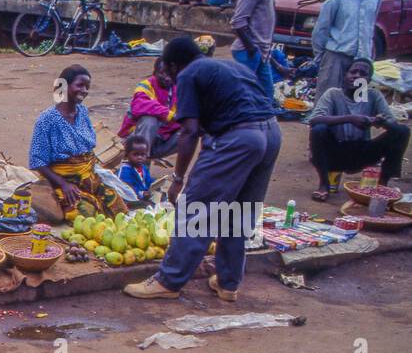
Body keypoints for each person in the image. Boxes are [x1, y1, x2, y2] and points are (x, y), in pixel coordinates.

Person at [124, 36, 280, 301]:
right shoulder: (232, 67)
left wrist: (178, 178)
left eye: (168, 69)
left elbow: (190, 132)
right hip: (271, 134)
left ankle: (168, 280)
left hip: (237, 138)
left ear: (173, 66)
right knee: (239, 210)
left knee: (197, 208)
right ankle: (228, 283)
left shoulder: (189, 74)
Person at [28, 65, 124, 219]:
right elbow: (37, 160)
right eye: (80, 85)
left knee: (116, 205)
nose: (84, 90)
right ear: (64, 86)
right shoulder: (47, 119)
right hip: (62, 180)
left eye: (87, 87)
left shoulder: (82, 112)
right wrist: (64, 184)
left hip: (88, 178)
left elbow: (87, 148)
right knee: (86, 213)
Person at [307, 58, 409, 201]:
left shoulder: (373, 95)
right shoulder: (333, 94)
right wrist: (350, 118)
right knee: (319, 129)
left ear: (368, 80)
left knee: (402, 131)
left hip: (361, 152)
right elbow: (314, 120)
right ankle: (324, 184)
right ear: (345, 75)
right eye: (353, 72)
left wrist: (380, 121)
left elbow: (394, 126)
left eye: (363, 73)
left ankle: (383, 184)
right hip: (334, 152)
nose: (357, 76)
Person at [311, 0, 380, 99]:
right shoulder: (336, 0)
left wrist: (368, 56)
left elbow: (370, 27)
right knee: (327, 102)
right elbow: (320, 32)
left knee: (358, 103)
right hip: (336, 58)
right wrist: (322, 59)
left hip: (362, 61)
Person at [229, 0, 285, 100]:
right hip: (249, 52)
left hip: (259, 53)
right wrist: (252, 49)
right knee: (244, 96)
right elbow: (238, 22)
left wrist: (276, 64)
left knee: (265, 97)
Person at [118, 56, 182, 158]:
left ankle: (144, 157)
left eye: (170, 73)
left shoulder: (178, 88)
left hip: (161, 136)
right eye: (162, 73)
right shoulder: (146, 85)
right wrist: (170, 115)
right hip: (134, 136)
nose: (167, 77)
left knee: (189, 131)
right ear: (154, 73)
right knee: (149, 120)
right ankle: (140, 164)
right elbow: (138, 106)